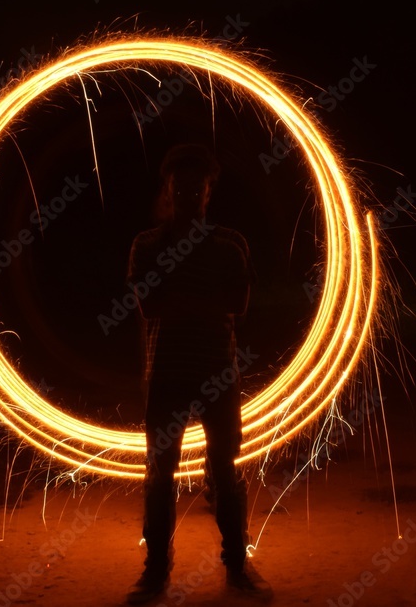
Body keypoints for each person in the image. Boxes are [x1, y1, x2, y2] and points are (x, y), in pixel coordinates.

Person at [125, 144, 272, 604]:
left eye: (198, 187)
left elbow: (238, 304)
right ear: (168, 191)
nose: (189, 194)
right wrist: (205, 302)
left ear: (209, 192)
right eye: (180, 187)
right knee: (159, 474)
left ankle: (237, 566)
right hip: (167, 373)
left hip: (217, 374)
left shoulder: (231, 243)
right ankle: (155, 571)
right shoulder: (147, 245)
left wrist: (181, 301)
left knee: (225, 472)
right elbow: (150, 307)